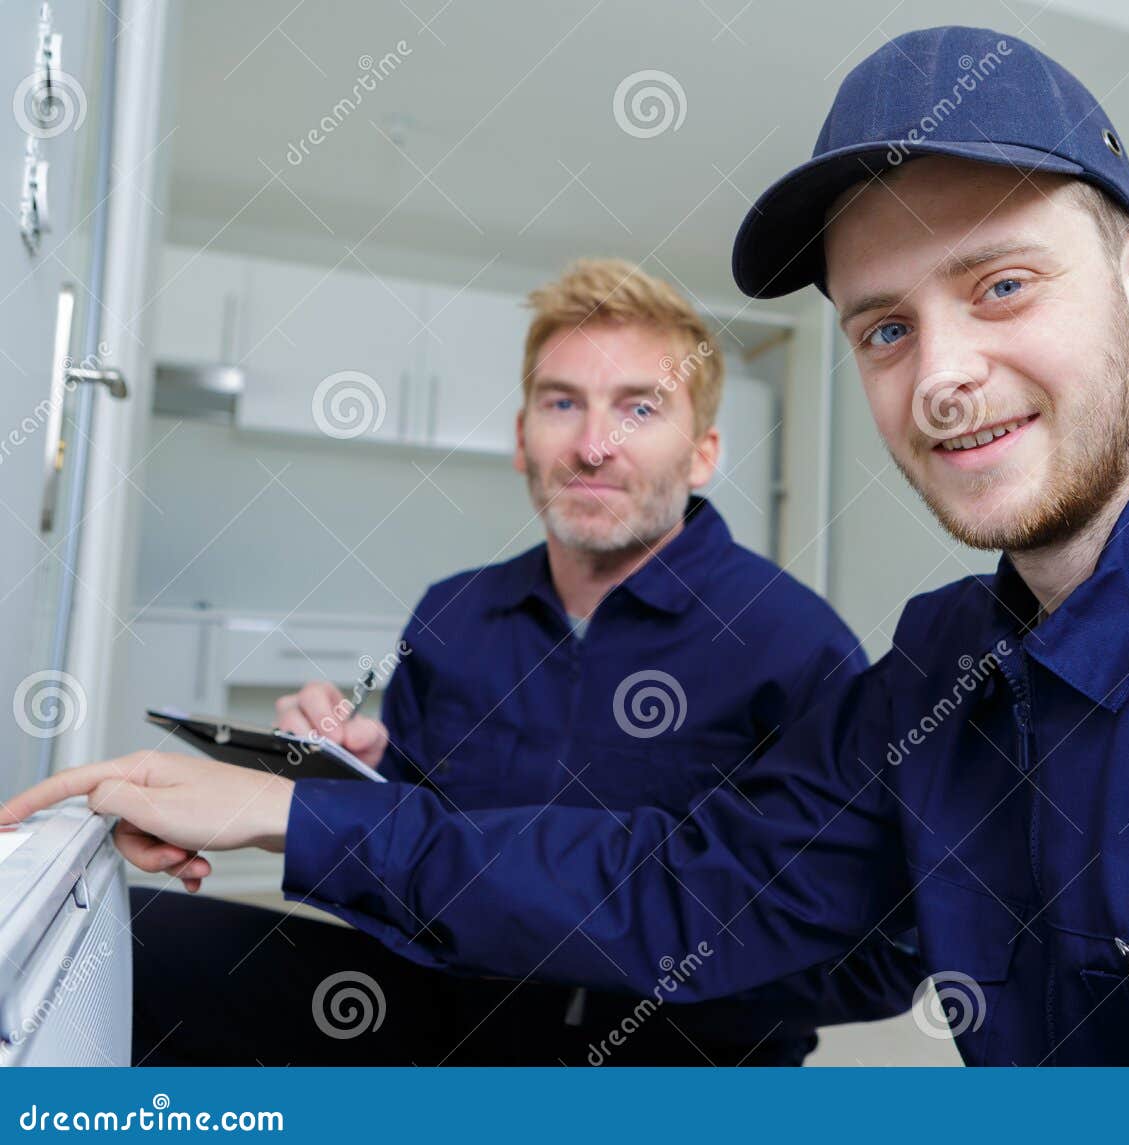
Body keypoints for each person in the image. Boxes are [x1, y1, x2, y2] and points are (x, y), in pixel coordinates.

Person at [11, 26, 1129, 1066]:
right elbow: (678, 890)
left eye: (1001, 286)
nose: (944, 375)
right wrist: (296, 815)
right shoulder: (943, 671)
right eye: (885, 327)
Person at [116, 257, 922, 1066]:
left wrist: (640, 972)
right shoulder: (455, 614)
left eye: (640, 407)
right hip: (447, 1011)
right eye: (562, 403)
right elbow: (419, 832)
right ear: (520, 437)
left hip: (680, 1054)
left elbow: (872, 954)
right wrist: (355, 775)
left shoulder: (793, 643)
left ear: (703, 452)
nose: (593, 445)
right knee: (135, 940)